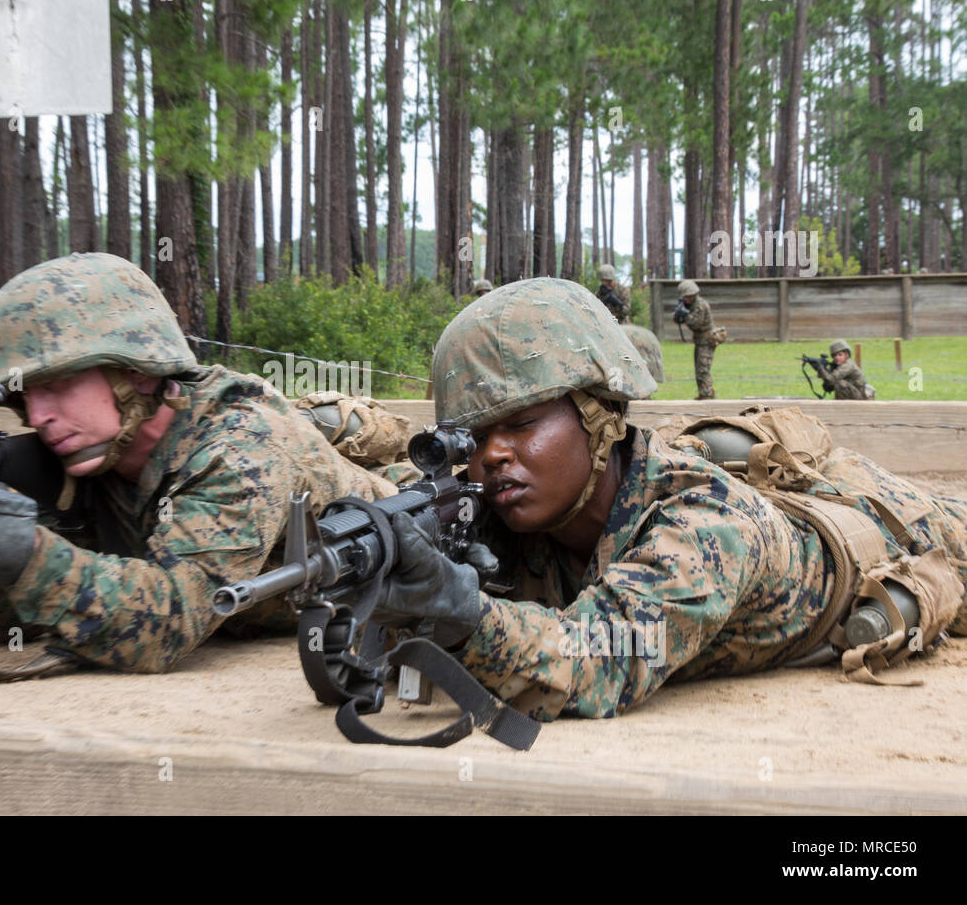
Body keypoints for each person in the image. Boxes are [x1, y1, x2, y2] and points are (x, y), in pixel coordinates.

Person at [371, 278, 967, 721]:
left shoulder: (707, 524)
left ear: (600, 415)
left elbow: (600, 659)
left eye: (522, 424)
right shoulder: (496, 503)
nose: (491, 456)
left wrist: (460, 610)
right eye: (471, 439)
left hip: (887, 524)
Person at [0, 252, 410, 672]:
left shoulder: (239, 446)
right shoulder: (90, 457)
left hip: (401, 554)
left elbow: (169, 625)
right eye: (23, 396)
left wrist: (23, 550)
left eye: (57, 385)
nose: (37, 416)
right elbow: (8, 626)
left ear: (140, 374)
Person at [673, 278, 718, 399]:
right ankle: (704, 393)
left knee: (703, 370)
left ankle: (707, 395)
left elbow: (695, 323)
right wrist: (679, 315)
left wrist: (686, 314)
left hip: (707, 341)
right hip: (699, 341)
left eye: (687, 297)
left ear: (692, 295)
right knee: (699, 370)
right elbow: (678, 320)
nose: (685, 299)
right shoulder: (689, 304)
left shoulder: (700, 305)